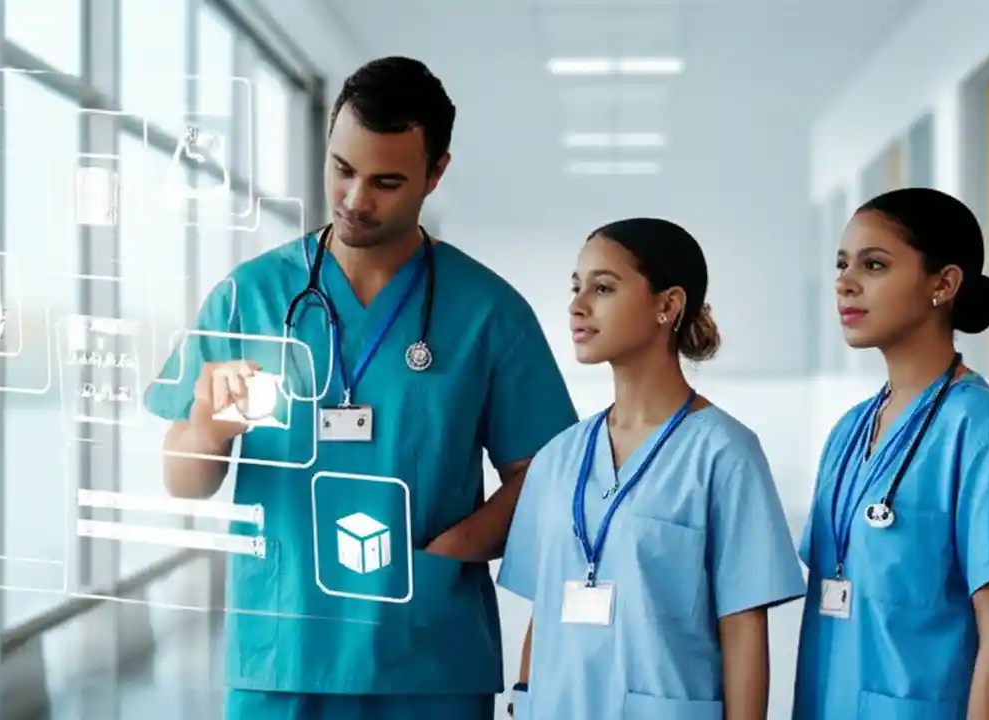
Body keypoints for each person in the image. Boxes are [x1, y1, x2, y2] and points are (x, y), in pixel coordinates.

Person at [143, 56, 578, 720]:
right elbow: (186, 479)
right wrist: (206, 430)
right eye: (342, 170)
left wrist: (447, 554)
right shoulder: (251, 299)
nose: (355, 200)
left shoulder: (488, 312)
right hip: (283, 652)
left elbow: (545, 475)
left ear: (436, 174)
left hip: (427, 656)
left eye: (386, 181)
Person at [496, 218, 807, 720]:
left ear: (668, 304)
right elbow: (543, 610)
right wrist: (522, 701)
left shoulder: (724, 453)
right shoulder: (559, 457)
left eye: (603, 288)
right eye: (576, 288)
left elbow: (743, 628)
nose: (577, 305)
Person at [792, 187, 989, 719]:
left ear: (944, 283)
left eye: (875, 264)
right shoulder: (848, 433)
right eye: (842, 264)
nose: (845, 282)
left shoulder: (986, 433)